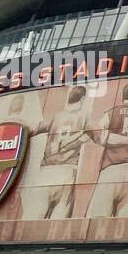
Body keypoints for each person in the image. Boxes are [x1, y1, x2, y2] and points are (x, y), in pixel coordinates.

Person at [86, 80, 128, 219]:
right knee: (127, 223)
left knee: (97, 221)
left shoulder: (111, 113)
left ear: (123, 96)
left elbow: (97, 135)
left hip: (110, 168)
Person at [24, 86, 90, 220]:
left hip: (46, 171)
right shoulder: (84, 118)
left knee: (32, 220)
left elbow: (32, 128)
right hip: (67, 170)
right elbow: (94, 135)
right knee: (56, 224)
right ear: (82, 99)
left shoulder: (56, 117)